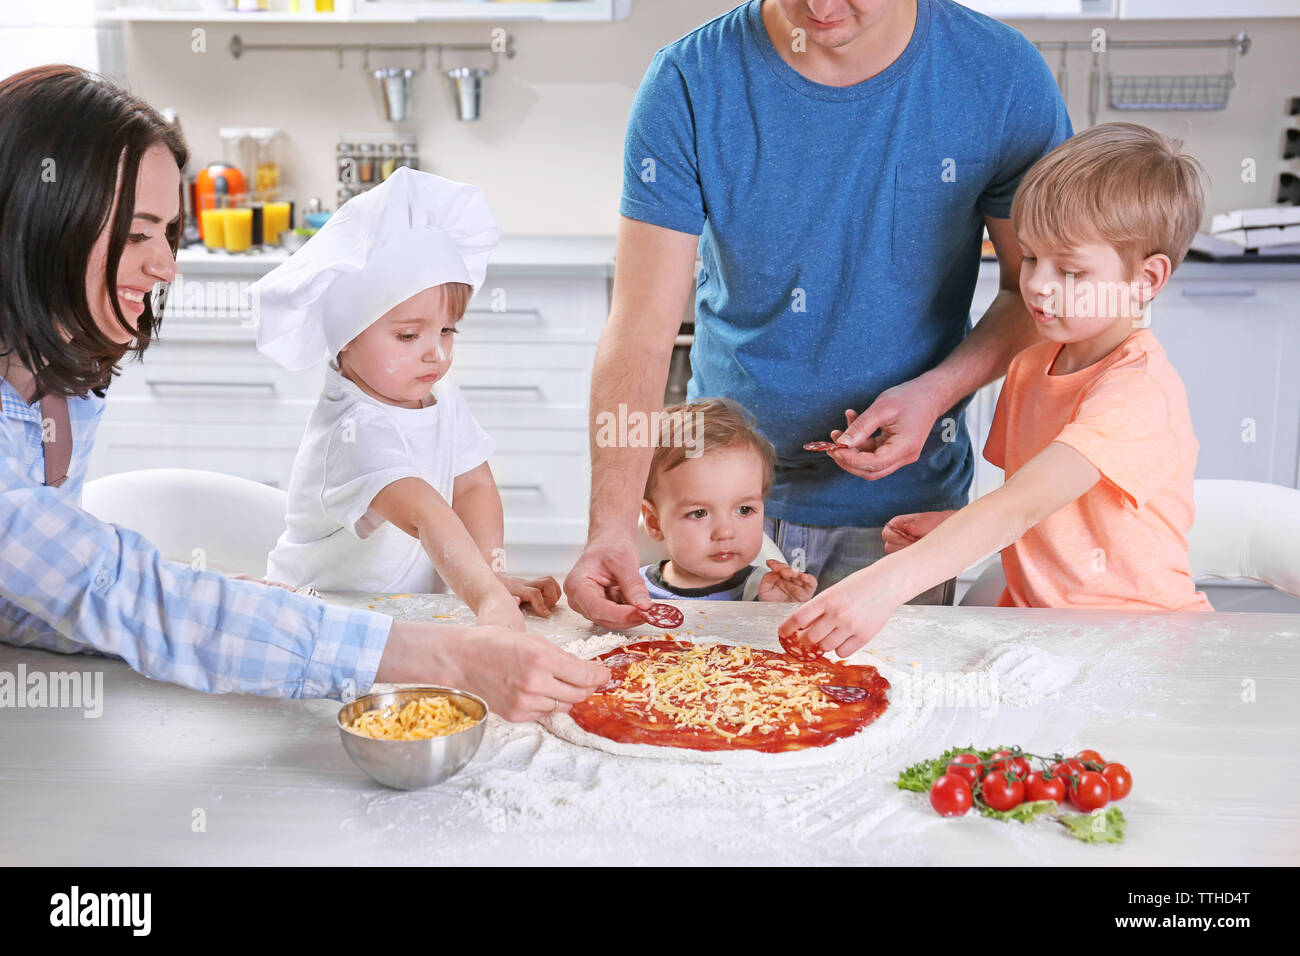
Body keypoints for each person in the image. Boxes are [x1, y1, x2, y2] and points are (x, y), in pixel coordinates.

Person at [0, 65, 607, 720]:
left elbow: (39, 590)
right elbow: (108, 588)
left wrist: (210, 609)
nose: (167, 266)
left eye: (169, 234)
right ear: (39, 219)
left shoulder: (60, 376)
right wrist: (454, 658)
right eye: (139, 233)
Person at [563, 0, 1071, 629]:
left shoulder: (1000, 76)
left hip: (900, 518)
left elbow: (1037, 295)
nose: (823, 8)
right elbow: (640, 329)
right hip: (717, 499)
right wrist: (610, 524)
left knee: (885, 713)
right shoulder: (690, 80)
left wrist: (933, 394)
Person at [780, 122, 1215, 658]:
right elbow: (1049, 508)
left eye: (1071, 271)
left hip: (1134, 641)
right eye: (1030, 258)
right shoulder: (1033, 363)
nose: (1036, 284)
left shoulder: (1138, 393)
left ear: (1147, 279)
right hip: (1035, 630)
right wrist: (955, 529)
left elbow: (1018, 507)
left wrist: (887, 583)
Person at [253, 167, 559, 629]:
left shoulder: (440, 396)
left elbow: (472, 486)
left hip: (398, 616)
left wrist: (491, 579)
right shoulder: (354, 427)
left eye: (446, 330)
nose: (435, 352)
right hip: (318, 617)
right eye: (409, 335)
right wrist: (484, 597)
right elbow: (424, 512)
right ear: (346, 338)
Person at [638, 398, 817, 602]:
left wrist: (778, 611)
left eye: (744, 510)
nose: (725, 532)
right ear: (654, 522)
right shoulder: (629, 592)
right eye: (699, 513)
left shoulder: (767, 591)